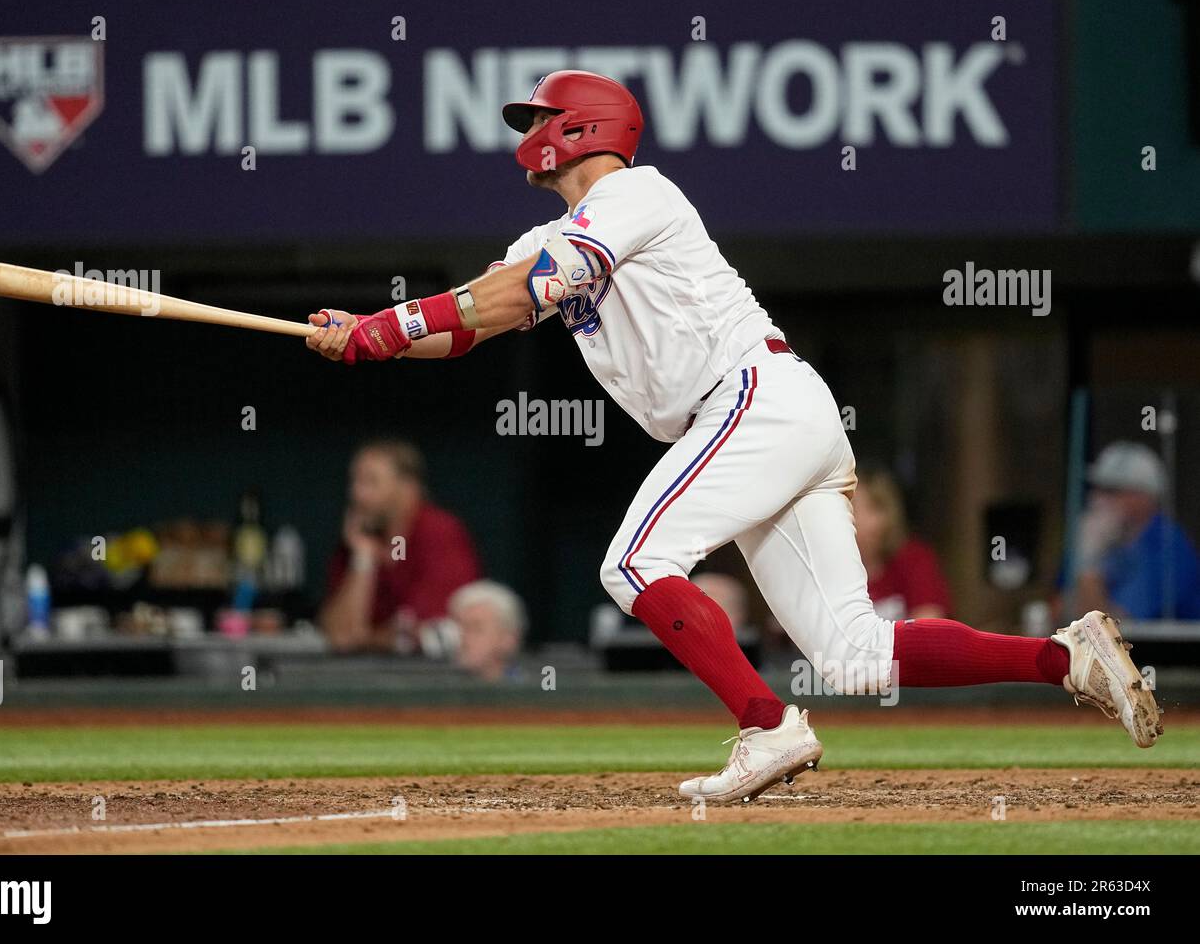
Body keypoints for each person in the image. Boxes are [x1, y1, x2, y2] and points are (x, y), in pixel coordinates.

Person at [305, 70, 1162, 802]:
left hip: (751, 399)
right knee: (853, 655)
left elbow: (520, 293)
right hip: (767, 417)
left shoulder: (634, 193)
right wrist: (365, 334)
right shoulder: (546, 234)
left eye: (536, 119)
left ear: (578, 126)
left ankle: (767, 727)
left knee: (633, 562)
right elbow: (467, 327)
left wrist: (386, 324)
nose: (526, 136)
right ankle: (1065, 660)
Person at [319, 439, 481, 653]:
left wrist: (365, 638)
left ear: (408, 487)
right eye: (355, 482)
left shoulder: (437, 532)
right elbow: (339, 634)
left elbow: (423, 634)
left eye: (370, 482)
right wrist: (363, 559)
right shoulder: (359, 542)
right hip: (368, 677)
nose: (357, 494)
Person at [1072, 441, 1200, 620]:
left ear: (1144, 497)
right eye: (1096, 487)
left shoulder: (1168, 548)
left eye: (1112, 490)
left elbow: (1108, 631)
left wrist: (1088, 566)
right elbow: (1057, 611)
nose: (1098, 498)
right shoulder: (1102, 538)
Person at [853, 467, 952, 621]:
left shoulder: (914, 559)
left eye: (871, 509)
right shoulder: (828, 572)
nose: (854, 519)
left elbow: (928, 626)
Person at [448, 580, 526, 682]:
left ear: (508, 638)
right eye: (458, 628)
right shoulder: (441, 689)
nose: (461, 636)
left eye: (475, 628)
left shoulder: (534, 692)